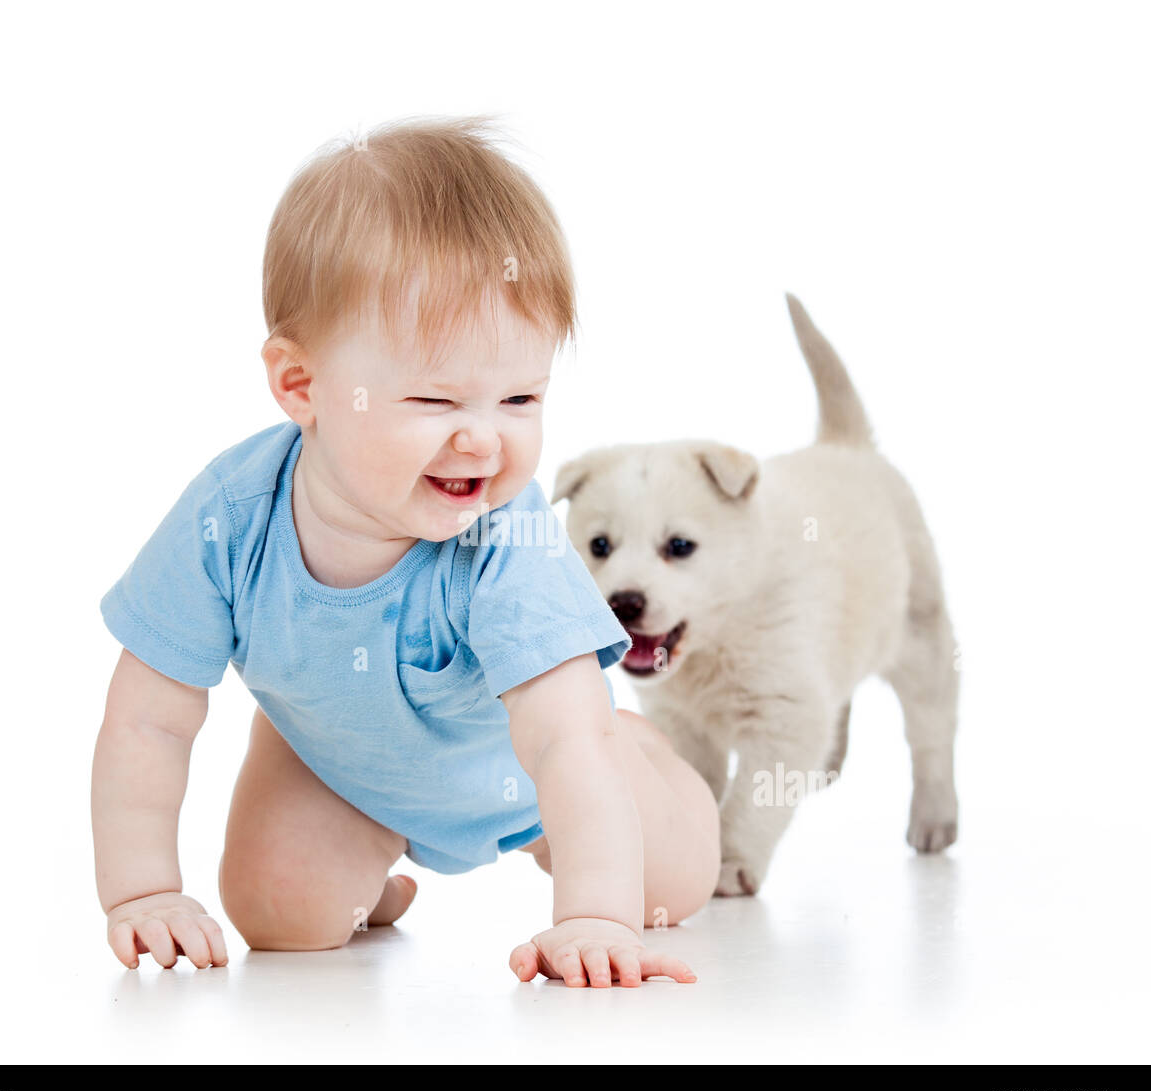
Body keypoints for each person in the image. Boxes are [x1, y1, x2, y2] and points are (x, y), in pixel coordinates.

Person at [92, 115, 719, 988]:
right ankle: (363, 877)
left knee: (670, 884)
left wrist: (591, 918)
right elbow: (147, 717)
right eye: (436, 400)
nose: (483, 442)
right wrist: (142, 893)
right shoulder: (228, 520)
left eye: (520, 398)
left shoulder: (510, 540)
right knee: (280, 916)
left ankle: (646, 755)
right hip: (337, 761)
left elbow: (566, 745)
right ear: (302, 386)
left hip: (537, 772)